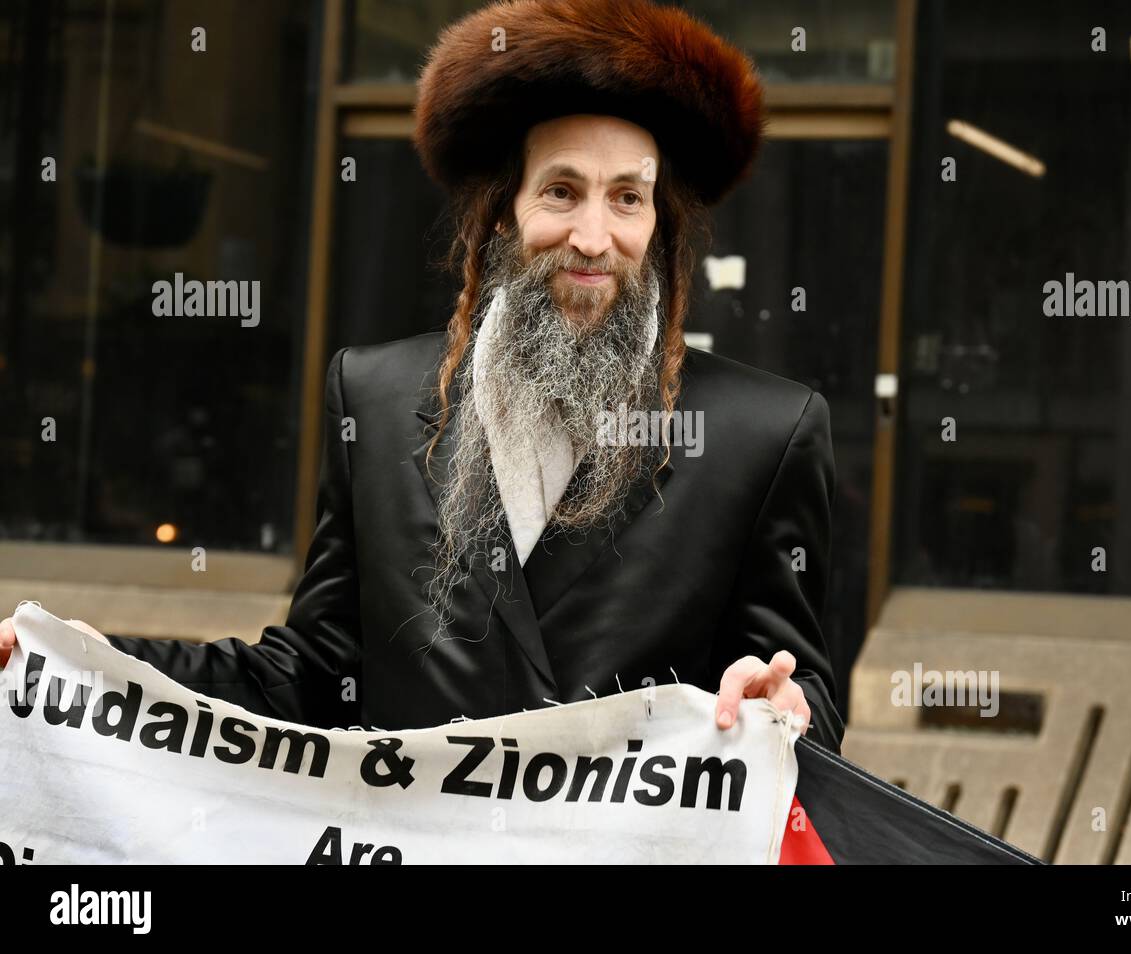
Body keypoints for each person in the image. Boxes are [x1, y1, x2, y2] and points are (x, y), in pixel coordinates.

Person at [1, 0, 845, 752]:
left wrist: (787, 707)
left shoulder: (764, 433)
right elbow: (313, 675)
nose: (595, 236)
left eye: (628, 198)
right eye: (562, 191)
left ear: (658, 224)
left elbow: (808, 701)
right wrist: (96, 668)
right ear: (503, 212)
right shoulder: (370, 397)